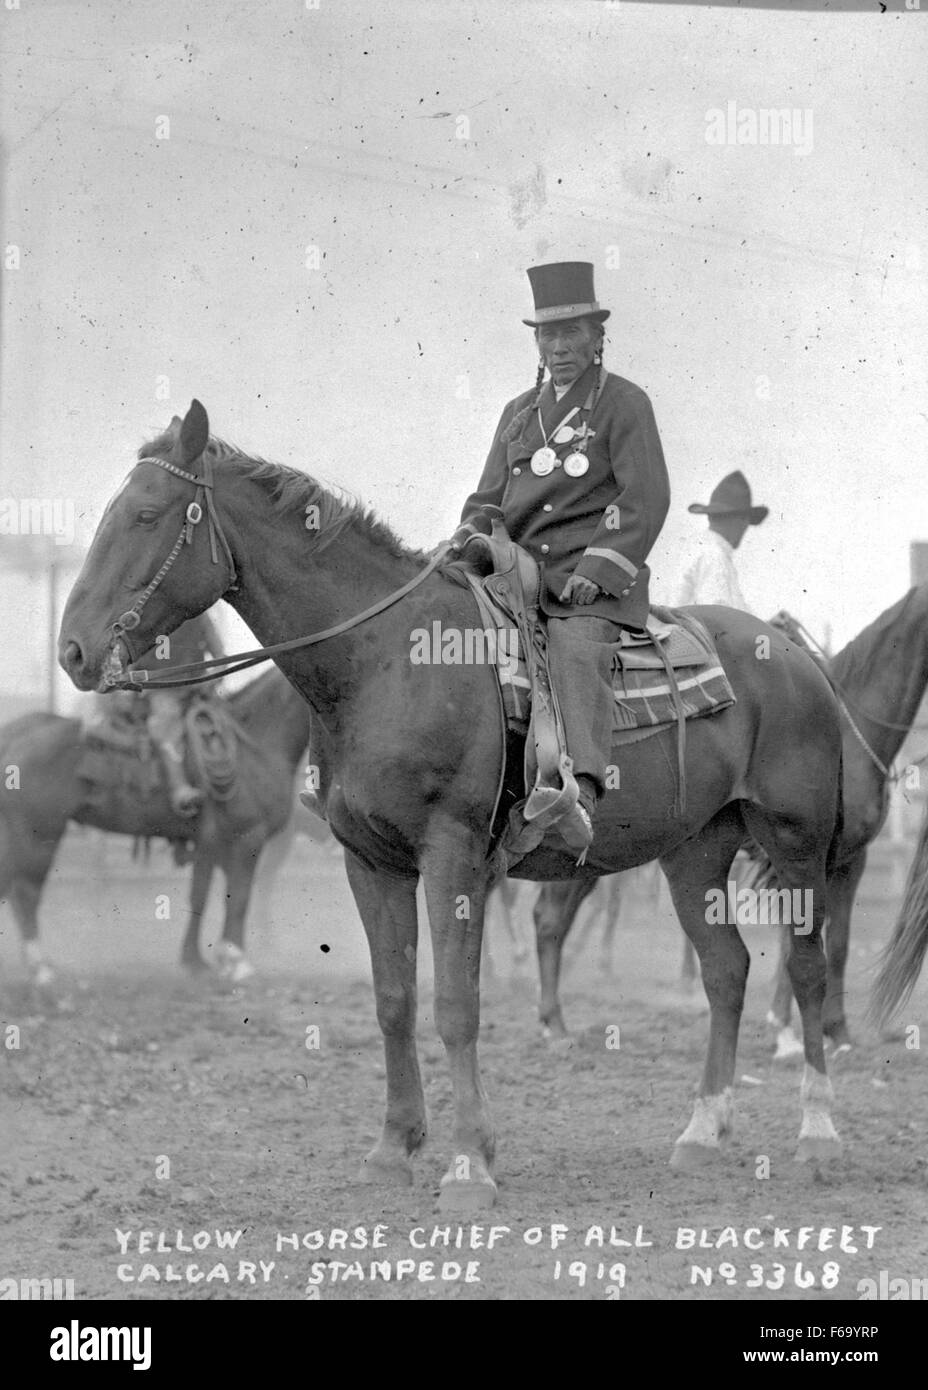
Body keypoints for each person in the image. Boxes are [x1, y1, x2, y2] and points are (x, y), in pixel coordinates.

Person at [456, 261, 670, 850]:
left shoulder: (625, 404)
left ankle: (578, 797)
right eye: (549, 335)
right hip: (516, 575)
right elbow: (487, 499)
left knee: (576, 649)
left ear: (598, 337)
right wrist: (462, 542)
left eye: (572, 333)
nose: (560, 347)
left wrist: (597, 571)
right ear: (537, 342)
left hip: (588, 583)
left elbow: (643, 498)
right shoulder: (518, 413)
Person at [131, 611, 225, 816]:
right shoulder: (146, 616)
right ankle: (179, 789)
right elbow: (130, 659)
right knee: (167, 729)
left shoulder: (199, 615)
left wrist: (211, 680)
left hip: (197, 690)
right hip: (160, 691)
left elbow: (221, 658)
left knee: (223, 726)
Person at [676, 471, 768, 611]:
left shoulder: (696, 549)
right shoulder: (715, 556)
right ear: (740, 520)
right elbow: (719, 619)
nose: (745, 527)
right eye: (746, 521)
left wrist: (767, 626)